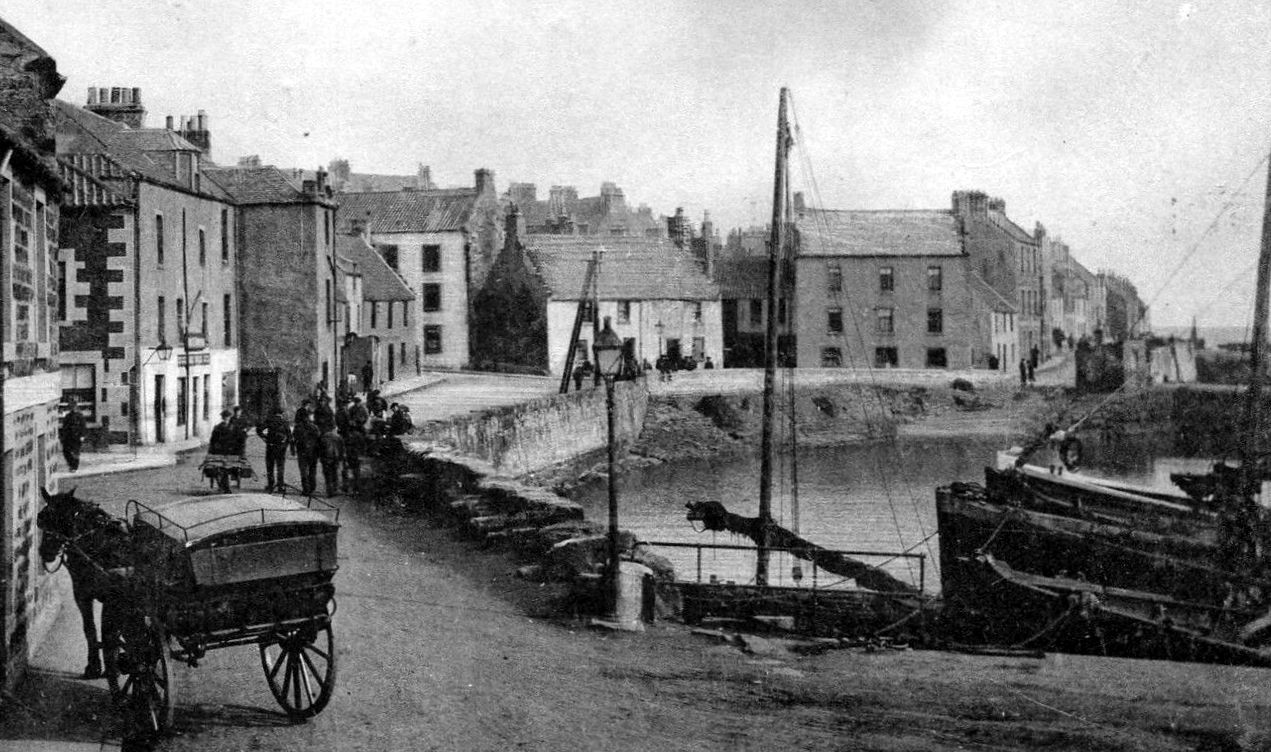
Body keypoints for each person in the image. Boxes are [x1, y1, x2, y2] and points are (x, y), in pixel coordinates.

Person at [256, 407, 293, 492]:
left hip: (271, 446)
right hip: (281, 448)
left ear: (274, 413)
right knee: (280, 467)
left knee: (270, 467)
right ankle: (280, 486)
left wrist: (265, 438)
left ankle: (270, 486)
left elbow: (258, 429)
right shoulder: (285, 422)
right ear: (281, 414)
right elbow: (290, 436)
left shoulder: (269, 421)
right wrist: (285, 444)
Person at [207, 410, 240, 492]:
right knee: (220, 468)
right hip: (220, 452)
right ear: (222, 418)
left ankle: (224, 486)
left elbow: (239, 440)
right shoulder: (217, 428)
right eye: (225, 417)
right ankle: (224, 486)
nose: (226, 419)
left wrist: (239, 451)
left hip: (231, 452)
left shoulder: (234, 428)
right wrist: (211, 451)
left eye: (227, 417)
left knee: (227, 469)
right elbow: (213, 440)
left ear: (229, 418)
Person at [292, 411, 321, 496]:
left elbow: (294, 439)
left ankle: (306, 489)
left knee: (303, 471)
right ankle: (312, 488)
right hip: (313, 452)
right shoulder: (314, 427)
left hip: (302, 452)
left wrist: (293, 450)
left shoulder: (298, 427)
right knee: (312, 470)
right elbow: (319, 439)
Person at [59, 399, 87, 472]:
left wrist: (82, 436)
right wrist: (62, 437)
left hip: (77, 436)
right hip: (68, 437)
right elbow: (64, 427)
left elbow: (83, 426)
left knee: (75, 452)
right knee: (66, 452)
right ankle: (72, 465)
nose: (72, 408)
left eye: (73, 407)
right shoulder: (68, 416)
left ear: (76, 407)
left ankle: (74, 467)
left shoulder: (80, 416)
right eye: (70, 407)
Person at [318, 427, 345, 498]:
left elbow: (320, 448)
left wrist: (321, 457)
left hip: (326, 458)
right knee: (335, 473)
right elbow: (342, 448)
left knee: (327, 475)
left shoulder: (323, 437)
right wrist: (340, 458)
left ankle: (330, 491)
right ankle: (335, 489)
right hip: (335, 457)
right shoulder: (338, 437)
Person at [343, 426, 366, 493]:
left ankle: (347, 487)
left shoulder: (347, 435)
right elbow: (363, 445)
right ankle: (356, 488)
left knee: (346, 472)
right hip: (355, 455)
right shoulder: (359, 435)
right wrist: (361, 454)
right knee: (356, 473)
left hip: (349, 455)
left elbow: (344, 445)